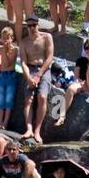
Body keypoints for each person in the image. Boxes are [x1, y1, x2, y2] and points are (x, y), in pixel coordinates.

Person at [19, 15, 54, 145]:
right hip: (30, 69)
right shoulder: (24, 42)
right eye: (29, 26)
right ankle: (29, 129)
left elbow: (50, 57)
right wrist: (28, 77)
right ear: (26, 27)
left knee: (42, 97)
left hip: (43, 70)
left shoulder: (46, 37)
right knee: (28, 100)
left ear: (38, 25)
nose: (32, 28)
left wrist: (39, 75)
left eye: (34, 25)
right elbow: (23, 62)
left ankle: (37, 130)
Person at [54, 36, 89, 123]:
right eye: (86, 48)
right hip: (83, 84)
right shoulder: (80, 60)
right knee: (71, 89)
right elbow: (76, 75)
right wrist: (80, 81)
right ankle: (62, 116)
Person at [0, 27, 19, 131]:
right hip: (1, 75)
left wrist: (5, 51)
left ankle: (5, 123)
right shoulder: (0, 49)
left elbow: (8, 63)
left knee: (8, 100)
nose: (5, 41)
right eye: (3, 38)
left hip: (11, 75)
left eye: (7, 38)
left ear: (12, 38)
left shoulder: (15, 50)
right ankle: (0, 122)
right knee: (0, 99)